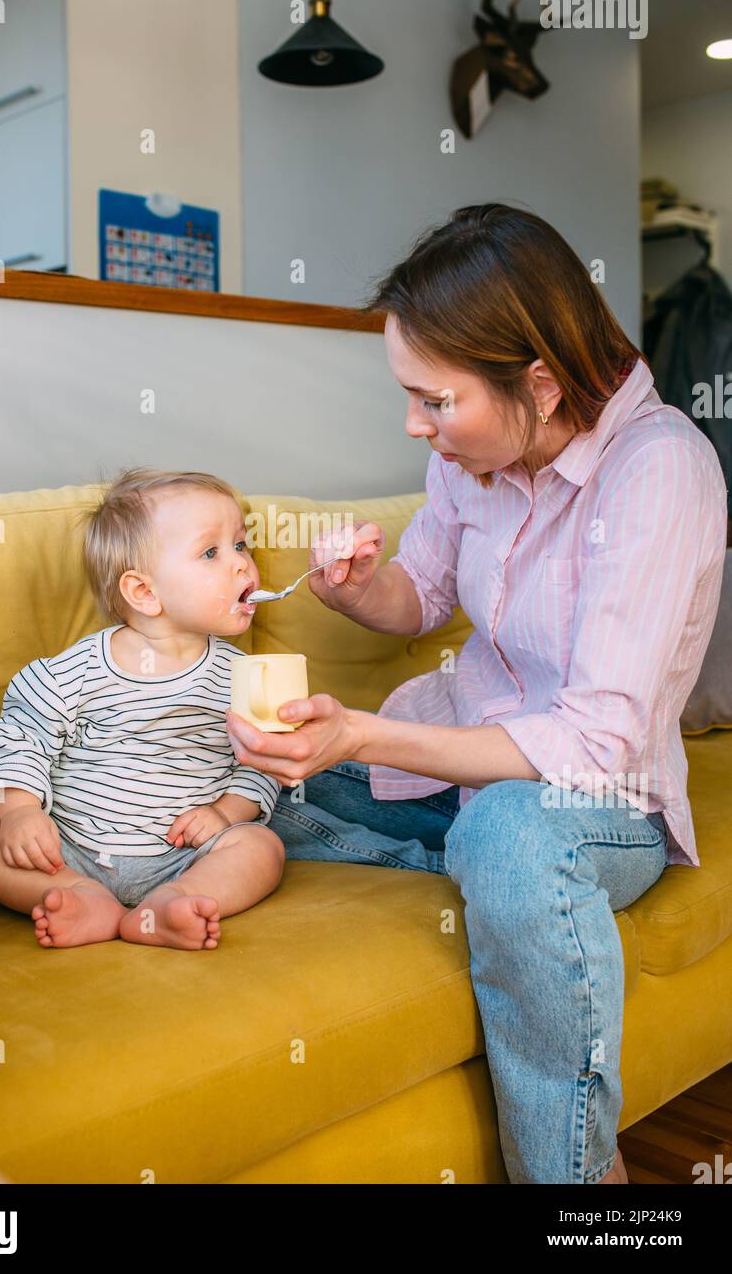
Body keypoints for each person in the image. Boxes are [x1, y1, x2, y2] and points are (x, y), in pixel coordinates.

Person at [225, 202, 728, 1184]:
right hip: (463, 758)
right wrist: (357, 589)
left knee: (507, 832)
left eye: (434, 400)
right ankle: (490, 879)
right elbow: (422, 597)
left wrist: (363, 734)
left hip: (591, 800)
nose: (415, 425)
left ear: (536, 385)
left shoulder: (659, 470)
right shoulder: (468, 462)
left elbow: (591, 744)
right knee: (247, 772)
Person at [0, 469, 285, 951]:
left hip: (184, 856)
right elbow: (23, 738)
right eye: (212, 552)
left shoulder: (244, 675)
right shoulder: (72, 671)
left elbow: (264, 763)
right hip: (68, 850)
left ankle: (172, 902)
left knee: (262, 847)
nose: (242, 566)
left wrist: (226, 814)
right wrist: (19, 810)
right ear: (144, 592)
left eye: (241, 545)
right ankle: (78, 898)